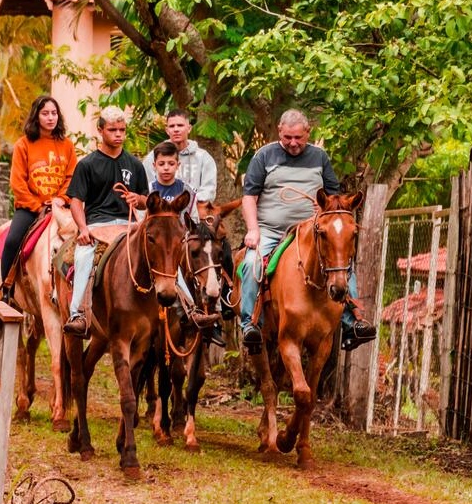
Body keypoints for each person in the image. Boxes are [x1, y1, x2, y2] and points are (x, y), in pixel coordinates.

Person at [238, 109, 377, 352]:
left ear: (308, 133)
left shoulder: (319, 157)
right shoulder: (264, 156)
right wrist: (253, 230)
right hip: (270, 230)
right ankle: (251, 324)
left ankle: (352, 322)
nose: (293, 143)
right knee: (251, 263)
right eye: (288, 137)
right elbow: (249, 197)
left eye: (298, 138)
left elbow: (334, 199)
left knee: (342, 264)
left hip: (310, 230)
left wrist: (324, 207)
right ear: (279, 131)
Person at [62, 107, 150, 338]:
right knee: (83, 257)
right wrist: (82, 229)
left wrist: (138, 199)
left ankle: (186, 308)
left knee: (161, 250)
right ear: (100, 130)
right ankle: (78, 314)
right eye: (112, 130)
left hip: (130, 226)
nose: (118, 134)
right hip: (97, 227)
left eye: (122, 130)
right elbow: (76, 202)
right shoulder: (87, 165)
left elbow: (145, 200)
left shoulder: (135, 164)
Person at [0, 95, 76, 301]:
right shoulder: (23, 145)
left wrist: (61, 199)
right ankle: (6, 290)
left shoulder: (67, 145)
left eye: (54, 113)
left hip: (61, 208)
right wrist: (37, 205)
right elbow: (18, 183)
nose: (50, 118)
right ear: (36, 116)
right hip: (30, 208)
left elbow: (71, 177)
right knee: (12, 241)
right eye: (45, 114)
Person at [150, 140, 218, 331]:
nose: (166, 168)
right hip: (155, 242)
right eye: (162, 164)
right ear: (154, 165)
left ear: (178, 165)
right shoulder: (150, 189)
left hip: (180, 242)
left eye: (171, 164)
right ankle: (188, 308)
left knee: (209, 260)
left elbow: (192, 220)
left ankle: (214, 310)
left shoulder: (186, 191)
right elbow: (142, 218)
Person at [142, 109, 217, 202]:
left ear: (189, 128)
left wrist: (184, 203)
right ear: (167, 130)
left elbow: (208, 192)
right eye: (172, 126)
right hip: (161, 208)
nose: (176, 129)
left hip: (194, 208)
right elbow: (147, 190)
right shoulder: (153, 157)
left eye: (180, 125)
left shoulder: (203, 158)